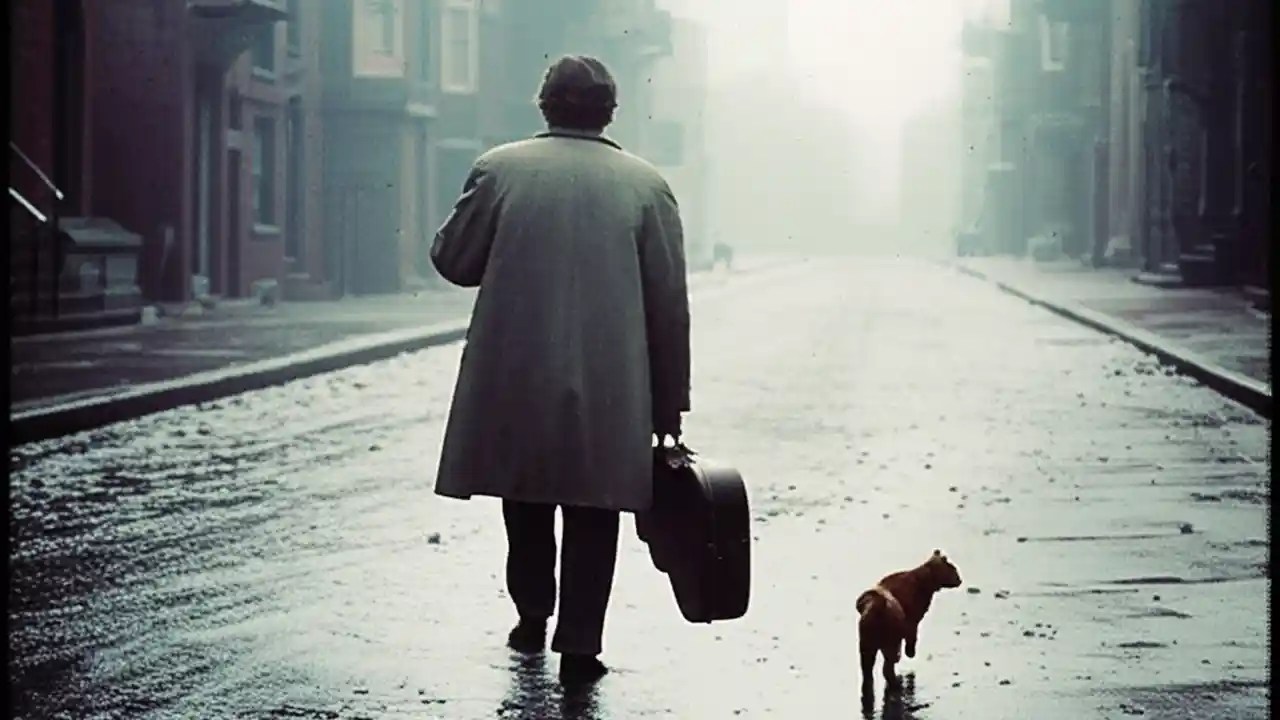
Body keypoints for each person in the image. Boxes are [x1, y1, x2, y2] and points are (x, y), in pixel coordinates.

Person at [430, 55, 691, 686]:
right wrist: (668, 405)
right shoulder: (646, 185)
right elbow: (668, 305)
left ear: (544, 105)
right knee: (596, 512)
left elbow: (454, 260)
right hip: (613, 387)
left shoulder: (500, 169)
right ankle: (580, 645)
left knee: (524, 500)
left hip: (516, 373)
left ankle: (531, 613)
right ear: (610, 112)